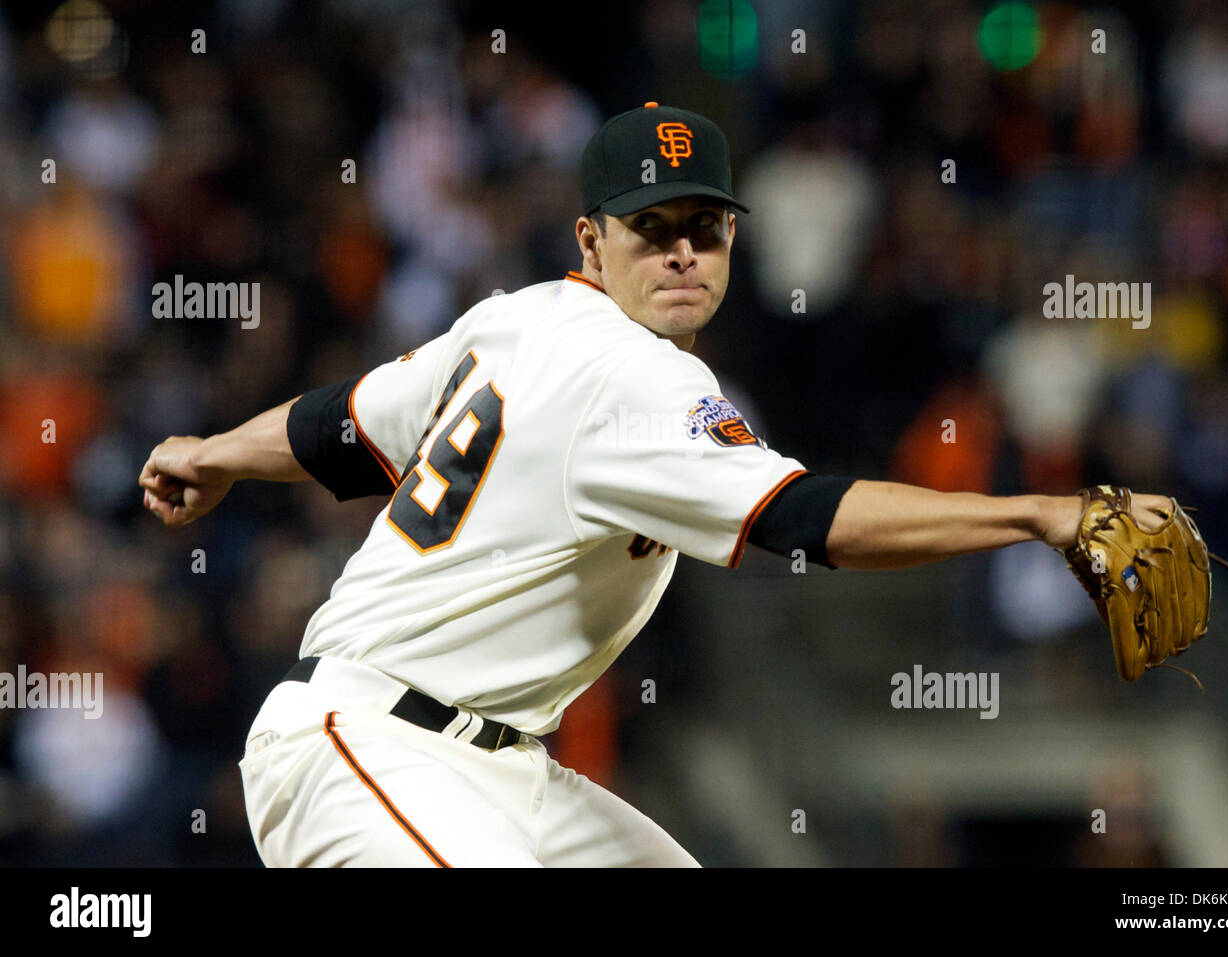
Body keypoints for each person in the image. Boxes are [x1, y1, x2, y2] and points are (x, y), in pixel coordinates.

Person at [139, 103, 1174, 867]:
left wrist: (213, 450)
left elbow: (343, 427)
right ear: (591, 239)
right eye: (650, 226)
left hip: (496, 766)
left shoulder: (518, 318)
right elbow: (806, 521)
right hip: (370, 749)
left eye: (704, 227)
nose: (681, 252)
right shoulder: (640, 375)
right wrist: (1038, 512)